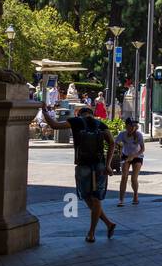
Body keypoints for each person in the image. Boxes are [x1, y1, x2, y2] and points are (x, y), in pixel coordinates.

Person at [41, 99, 117, 242]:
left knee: (88, 197)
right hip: (100, 165)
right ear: (92, 114)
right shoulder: (101, 124)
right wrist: (108, 164)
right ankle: (108, 224)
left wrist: (45, 111)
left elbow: (54, 125)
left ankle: (92, 233)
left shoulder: (75, 122)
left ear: (79, 114)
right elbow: (112, 143)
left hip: (83, 165)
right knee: (96, 198)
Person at [116, 118, 145, 206]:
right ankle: (121, 200)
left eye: (134, 127)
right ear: (126, 126)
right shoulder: (122, 134)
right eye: (130, 126)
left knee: (133, 178)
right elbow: (116, 143)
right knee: (124, 177)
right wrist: (118, 147)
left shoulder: (139, 135)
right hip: (126, 156)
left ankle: (135, 195)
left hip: (137, 156)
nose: (132, 128)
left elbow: (142, 149)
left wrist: (133, 156)